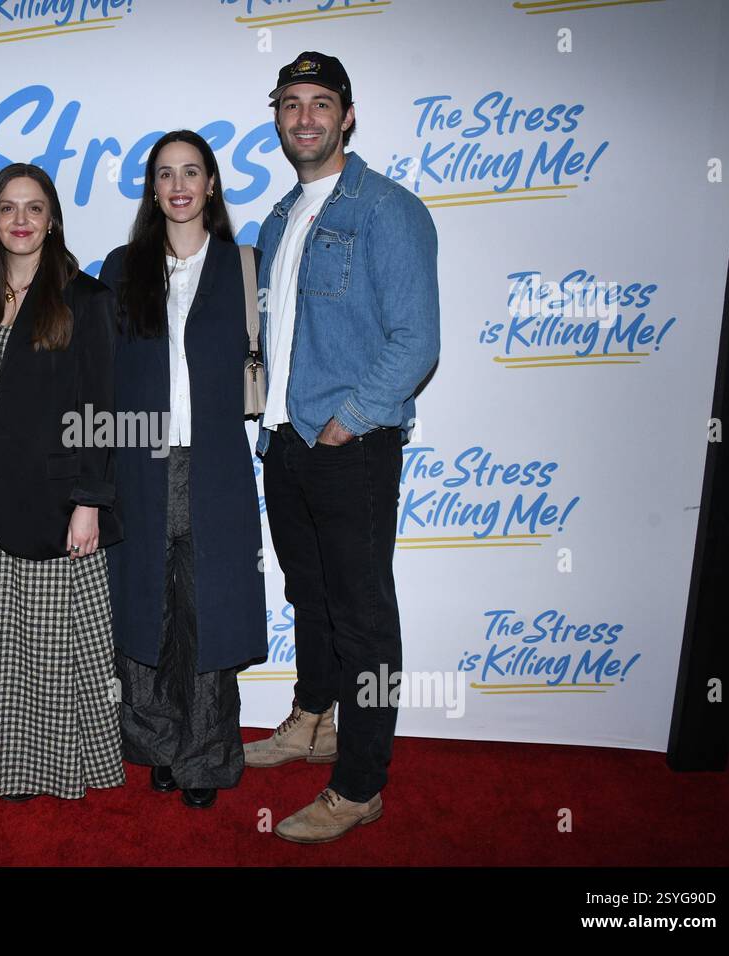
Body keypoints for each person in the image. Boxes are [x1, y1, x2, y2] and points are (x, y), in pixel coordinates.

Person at [244, 52, 440, 843]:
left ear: (347, 116)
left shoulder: (387, 210)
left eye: (321, 103)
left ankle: (361, 783)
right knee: (310, 598)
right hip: (283, 442)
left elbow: (415, 340)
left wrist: (348, 419)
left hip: (348, 444)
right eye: (291, 103)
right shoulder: (278, 218)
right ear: (278, 116)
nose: (305, 118)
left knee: (364, 620)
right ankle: (313, 720)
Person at [0, 162, 125, 801]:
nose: (21, 221)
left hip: (50, 493)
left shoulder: (86, 297)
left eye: (34, 208)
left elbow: (101, 412)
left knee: (47, 639)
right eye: (7, 209)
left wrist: (89, 501)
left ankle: (53, 765)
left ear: (52, 219)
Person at [99, 131, 267, 810]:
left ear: (211, 184)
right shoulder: (119, 268)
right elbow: (99, 374)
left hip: (216, 466)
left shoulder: (241, 266)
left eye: (191, 171)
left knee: (207, 616)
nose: (178, 185)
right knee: (147, 612)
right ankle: (159, 747)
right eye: (165, 173)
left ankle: (204, 758)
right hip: (137, 466)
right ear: (153, 188)